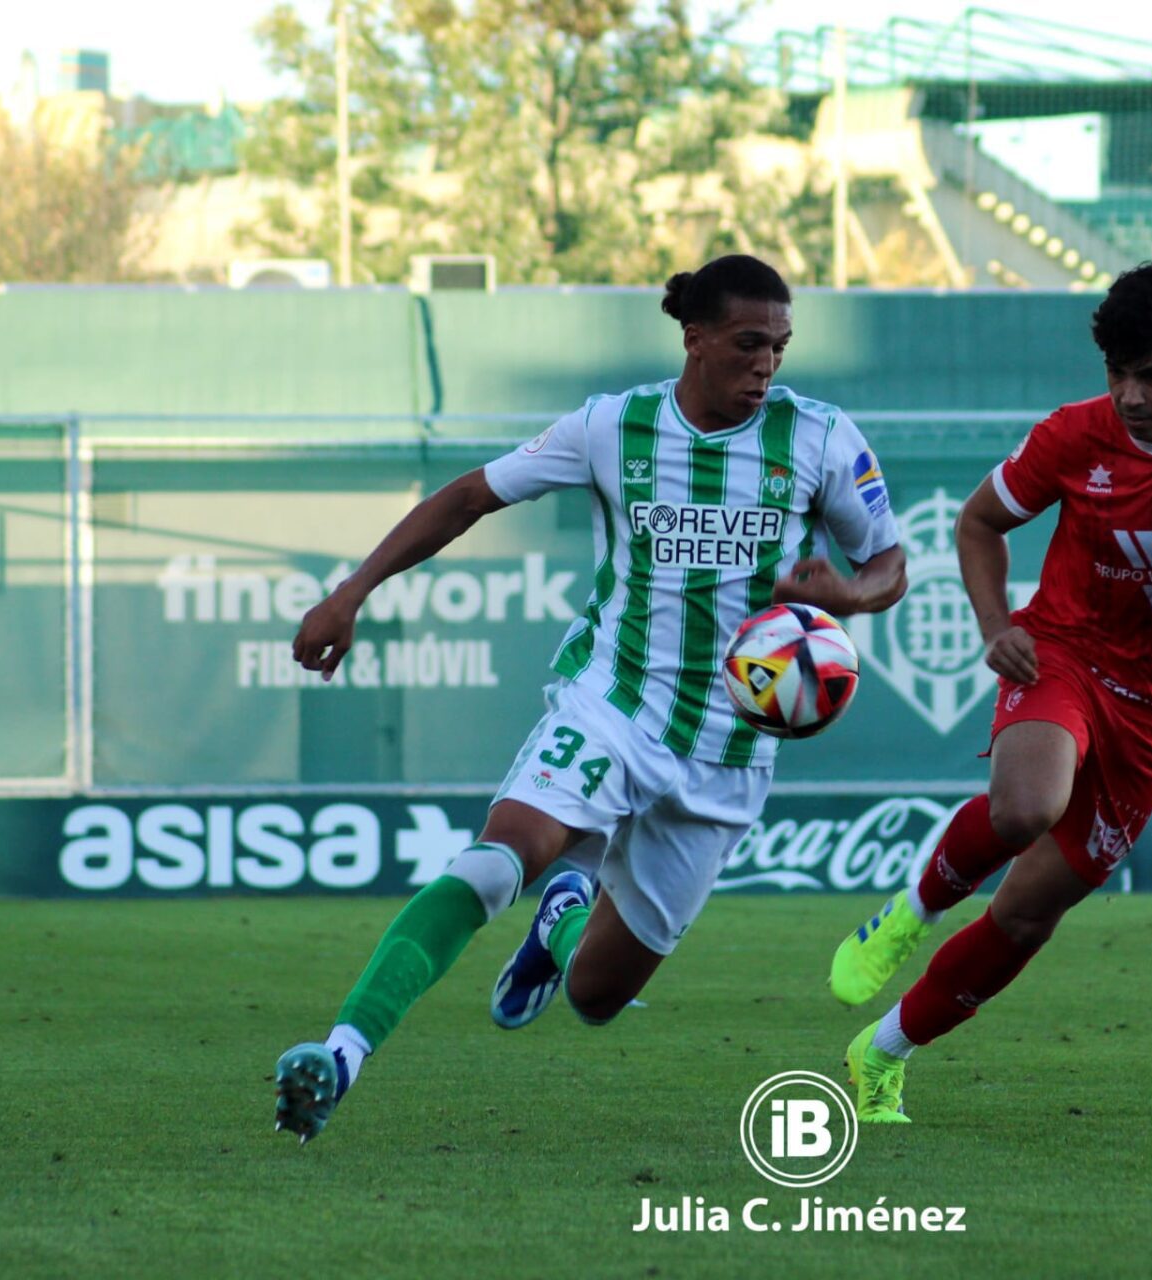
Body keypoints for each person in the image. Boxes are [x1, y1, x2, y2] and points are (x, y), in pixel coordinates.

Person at [273, 254, 906, 1143]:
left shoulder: (822, 437)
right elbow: (466, 497)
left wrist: (845, 595)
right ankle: (340, 1052)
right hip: (615, 701)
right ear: (694, 339)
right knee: (501, 857)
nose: (766, 364)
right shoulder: (616, 427)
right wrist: (351, 592)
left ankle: (565, 917)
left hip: (729, 752)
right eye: (748, 344)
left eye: (780, 347)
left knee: (598, 996)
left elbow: (889, 565)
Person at [826, 262, 1152, 1123]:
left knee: (1029, 917)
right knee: (1026, 807)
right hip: (1066, 653)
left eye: (1151, 374)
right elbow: (978, 522)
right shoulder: (1074, 436)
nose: (1128, 394)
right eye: (1115, 373)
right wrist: (996, 623)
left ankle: (882, 1052)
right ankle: (907, 912)